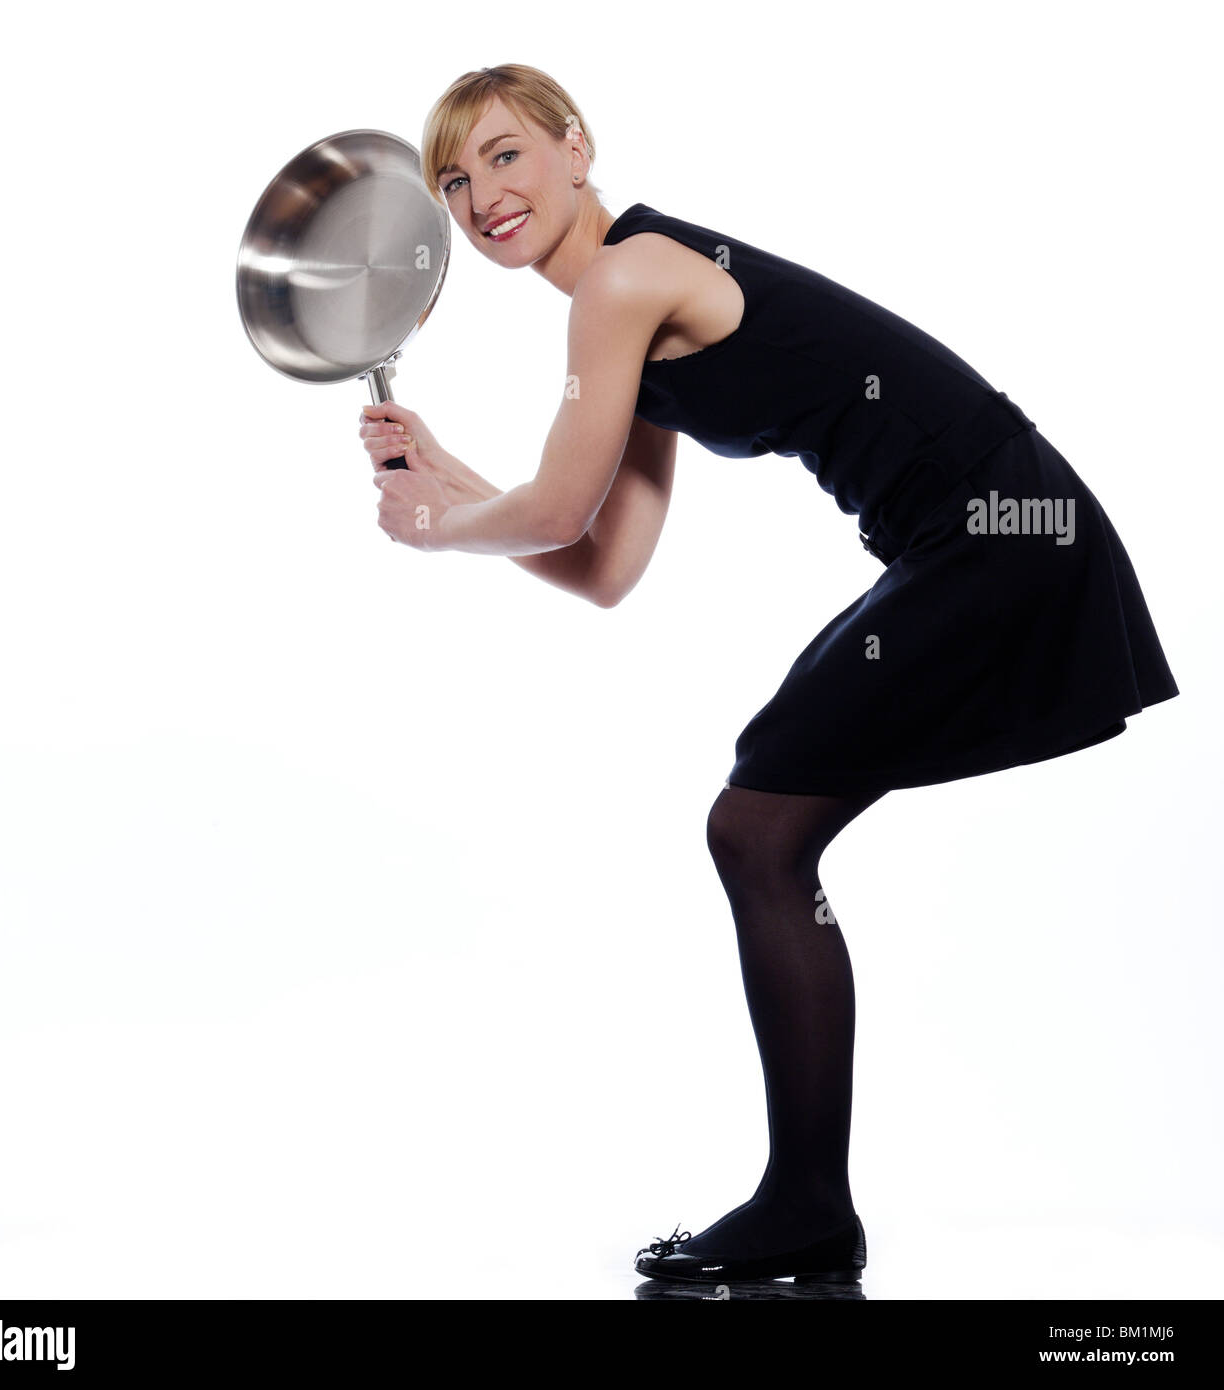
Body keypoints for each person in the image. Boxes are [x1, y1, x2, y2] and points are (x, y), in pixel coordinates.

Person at [361, 63, 1179, 1286]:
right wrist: (448, 476)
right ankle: (807, 1207)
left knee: (756, 830)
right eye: (455, 180)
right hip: (976, 536)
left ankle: (805, 1205)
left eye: (507, 156)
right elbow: (598, 561)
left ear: (577, 150)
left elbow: (555, 508)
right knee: (758, 825)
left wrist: (436, 521)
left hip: (1003, 531)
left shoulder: (625, 280)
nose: (483, 196)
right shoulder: (621, 301)